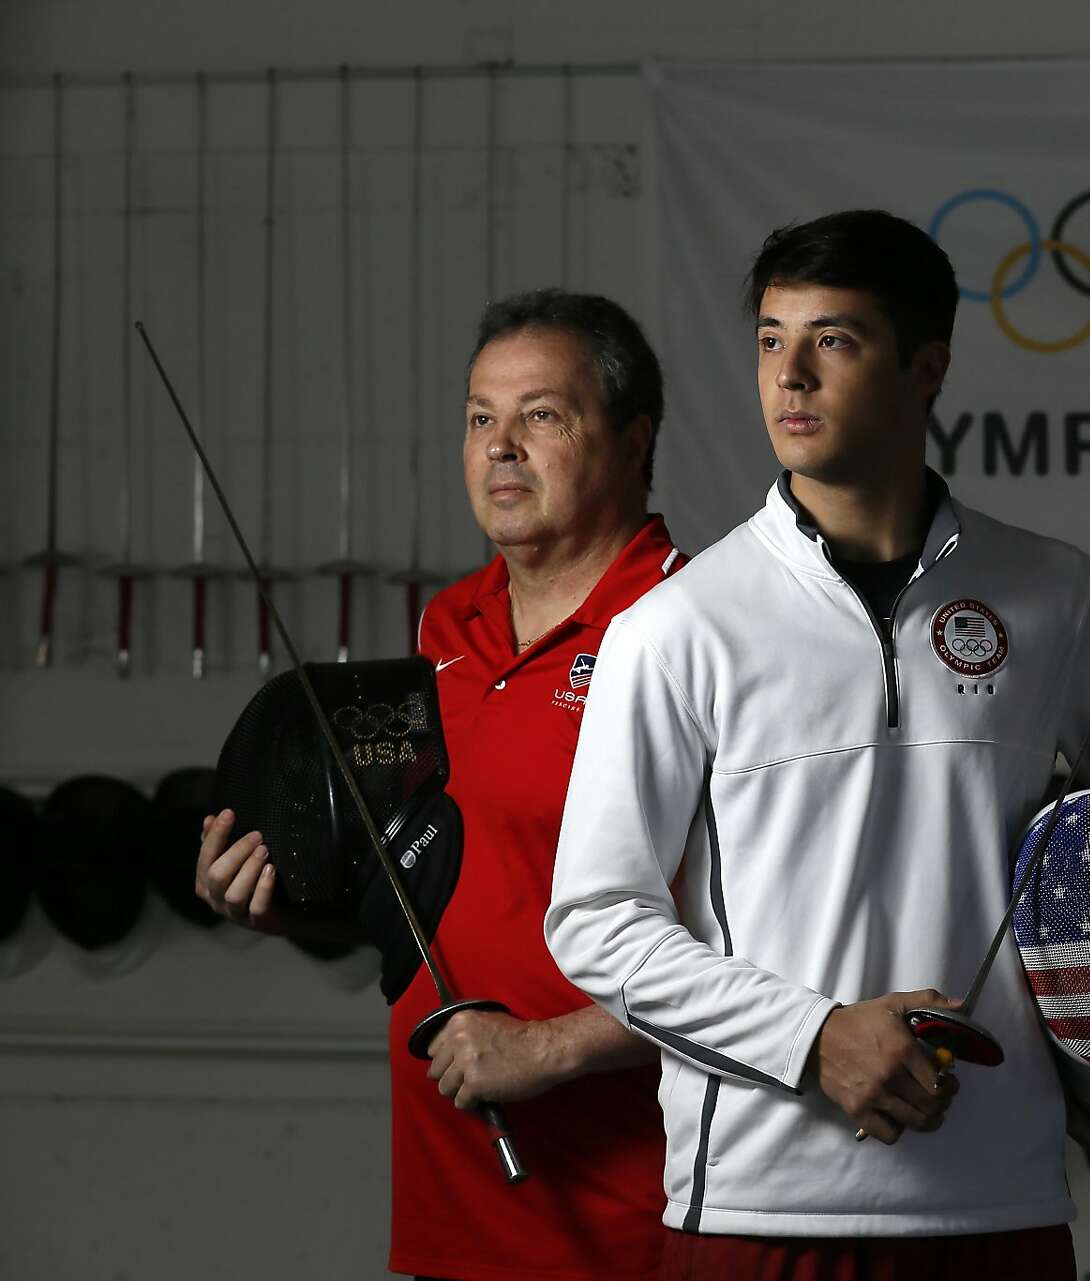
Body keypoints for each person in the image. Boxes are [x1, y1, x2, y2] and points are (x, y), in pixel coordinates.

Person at [545, 210, 1090, 1279]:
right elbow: (598, 920)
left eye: (833, 341)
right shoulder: (677, 626)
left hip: (999, 1195)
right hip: (762, 1209)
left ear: (926, 366)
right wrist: (814, 1037)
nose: (789, 375)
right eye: (769, 339)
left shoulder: (1051, 591)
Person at [195, 289, 683, 1281]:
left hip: (643, 1228)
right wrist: (294, 910)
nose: (502, 447)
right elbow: (439, 900)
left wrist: (550, 1050)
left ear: (634, 442)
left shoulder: (703, 629)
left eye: (542, 415)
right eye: (480, 418)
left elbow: (777, 949)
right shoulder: (441, 635)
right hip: (453, 1216)